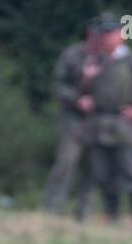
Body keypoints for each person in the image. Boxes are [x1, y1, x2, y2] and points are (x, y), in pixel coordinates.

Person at [80, 13, 132, 231]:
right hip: (97, 124)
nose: (105, 39)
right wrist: (86, 82)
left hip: (124, 124)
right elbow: (75, 91)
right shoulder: (92, 60)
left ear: (121, 36)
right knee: (103, 174)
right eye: (103, 35)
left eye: (110, 34)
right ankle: (112, 218)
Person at [42, 20, 101, 217]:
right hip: (72, 119)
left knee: (93, 167)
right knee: (65, 163)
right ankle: (51, 208)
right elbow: (57, 86)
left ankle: (85, 212)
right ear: (89, 33)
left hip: (99, 120)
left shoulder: (109, 58)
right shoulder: (72, 55)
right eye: (96, 33)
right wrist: (77, 99)